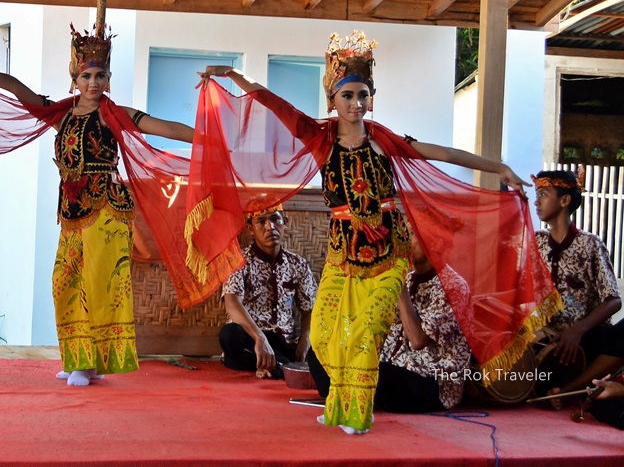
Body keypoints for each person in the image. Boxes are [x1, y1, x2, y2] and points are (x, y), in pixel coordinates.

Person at [202, 30, 534, 434]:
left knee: (364, 335)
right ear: (333, 101)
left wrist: (497, 168)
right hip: (343, 257)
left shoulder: (383, 141)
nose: (357, 104)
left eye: (363, 95)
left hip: (386, 257)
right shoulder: (320, 139)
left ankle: (358, 415)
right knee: (324, 336)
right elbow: (275, 104)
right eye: (348, 96)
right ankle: (339, 404)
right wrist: (235, 76)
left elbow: (442, 152)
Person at [0, 24, 196, 386]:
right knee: (65, 282)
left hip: (107, 210)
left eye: (100, 75)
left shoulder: (114, 114)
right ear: (74, 79)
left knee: (98, 286)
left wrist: (206, 138)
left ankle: (90, 364)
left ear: (108, 79)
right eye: (86, 75)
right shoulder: (61, 115)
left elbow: (162, 128)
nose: (93, 82)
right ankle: (79, 357)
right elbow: (17, 89)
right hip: (72, 214)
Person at [307, 232, 471, 413]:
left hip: (430, 383)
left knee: (374, 374)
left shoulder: (454, 287)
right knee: (318, 355)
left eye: (411, 234)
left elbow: (418, 339)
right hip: (394, 368)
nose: (403, 241)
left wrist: (398, 286)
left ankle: (352, 393)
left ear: (436, 242)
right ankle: (355, 394)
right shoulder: (407, 278)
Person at [532, 169, 624, 398]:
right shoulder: (535, 241)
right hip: (545, 338)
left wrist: (578, 330)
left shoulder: (590, 245)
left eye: (544, 194)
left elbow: (613, 300)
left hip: (586, 339)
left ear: (564, 201)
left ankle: (569, 389)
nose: (536, 201)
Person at [219, 198, 315, 379]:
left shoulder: (298, 264)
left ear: (284, 223)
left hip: (285, 343)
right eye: (261, 222)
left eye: (275, 219)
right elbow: (231, 303)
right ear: (251, 229)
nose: (270, 227)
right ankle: (283, 368)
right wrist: (259, 338)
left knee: (320, 344)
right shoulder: (238, 262)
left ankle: (275, 365)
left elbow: (310, 308)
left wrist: (306, 338)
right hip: (251, 339)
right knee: (229, 335)